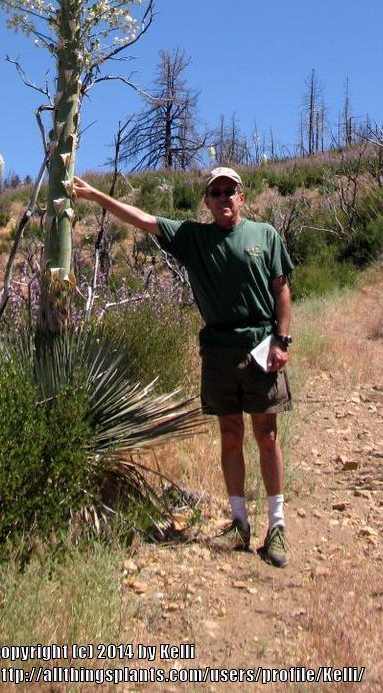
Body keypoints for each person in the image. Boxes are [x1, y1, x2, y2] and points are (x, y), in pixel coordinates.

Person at [70, 165, 293, 568]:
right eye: (216, 192)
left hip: (261, 344)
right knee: (229, 433)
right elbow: (142, 219)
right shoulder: (193, 237)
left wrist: (282, 339)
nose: (224, 198)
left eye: (230, 191)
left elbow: (282, 289)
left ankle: (276, 526)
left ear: (242, 197)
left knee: (267, 433)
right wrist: (96, 197)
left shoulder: (265, 236)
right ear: (206, 201)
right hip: (218, 350)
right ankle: (239, 522)